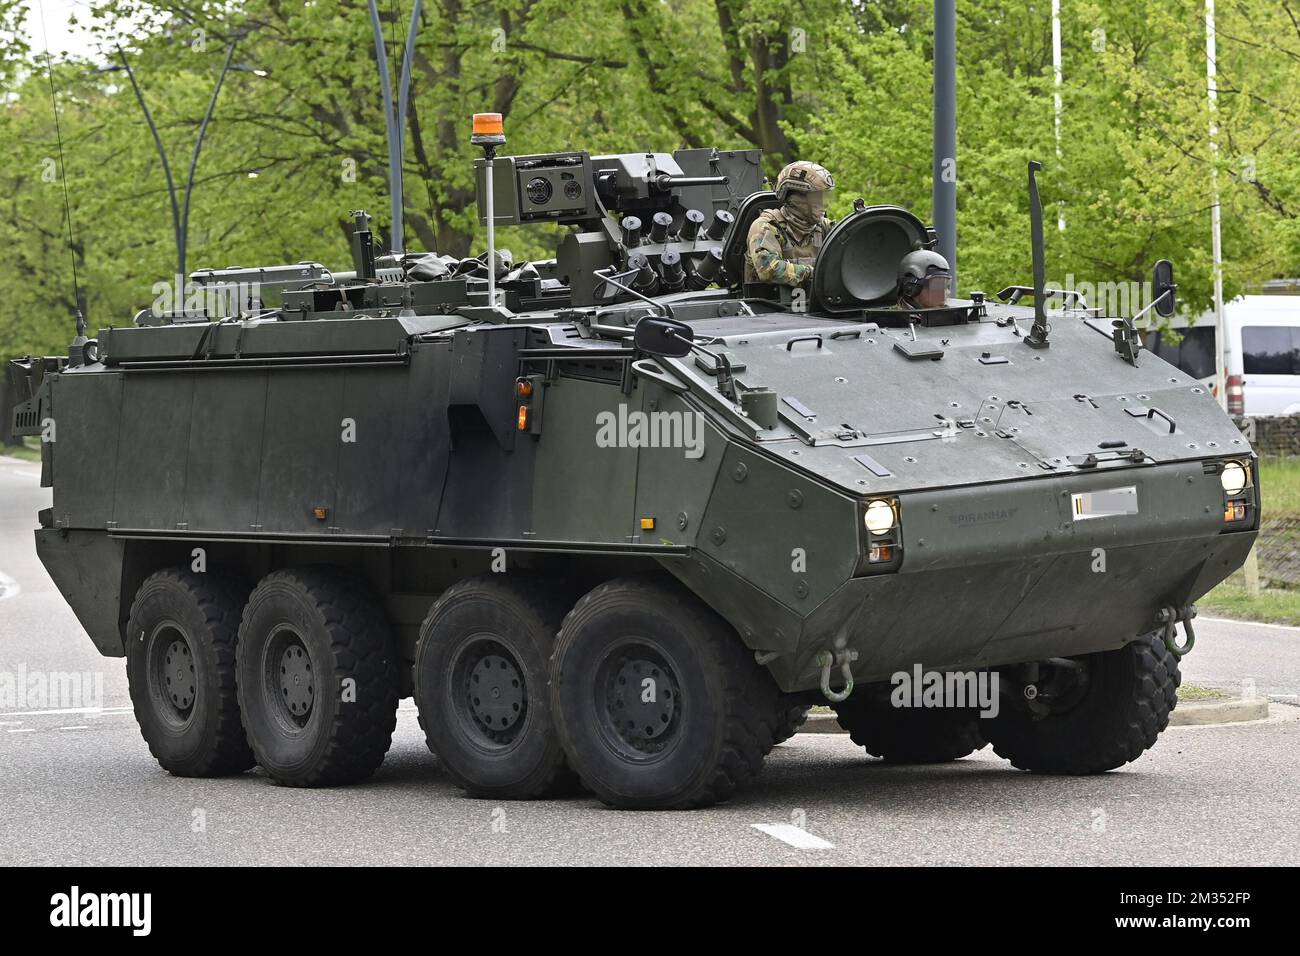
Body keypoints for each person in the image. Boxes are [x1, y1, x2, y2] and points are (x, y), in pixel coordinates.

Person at [744, 161, 835, 287]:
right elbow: (768, 270)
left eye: (826, 196)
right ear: (795, 199)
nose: (825, 203)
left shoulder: (825, 228)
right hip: (769, 299)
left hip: (815, 299)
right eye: (817, 197)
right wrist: (814, 273)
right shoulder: (767, 227)